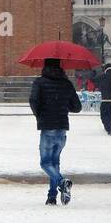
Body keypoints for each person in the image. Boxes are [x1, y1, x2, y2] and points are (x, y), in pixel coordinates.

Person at [29, 58, 83, 205]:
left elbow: (33, 101)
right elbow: (77, 107)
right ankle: (52, 196)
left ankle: (62, 182)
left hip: (47, 127)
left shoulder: (39, 82)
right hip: (62, 128)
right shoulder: (66, 83)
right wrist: (63, 105)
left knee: (45, 163)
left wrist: (39, 114)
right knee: (55, 162)